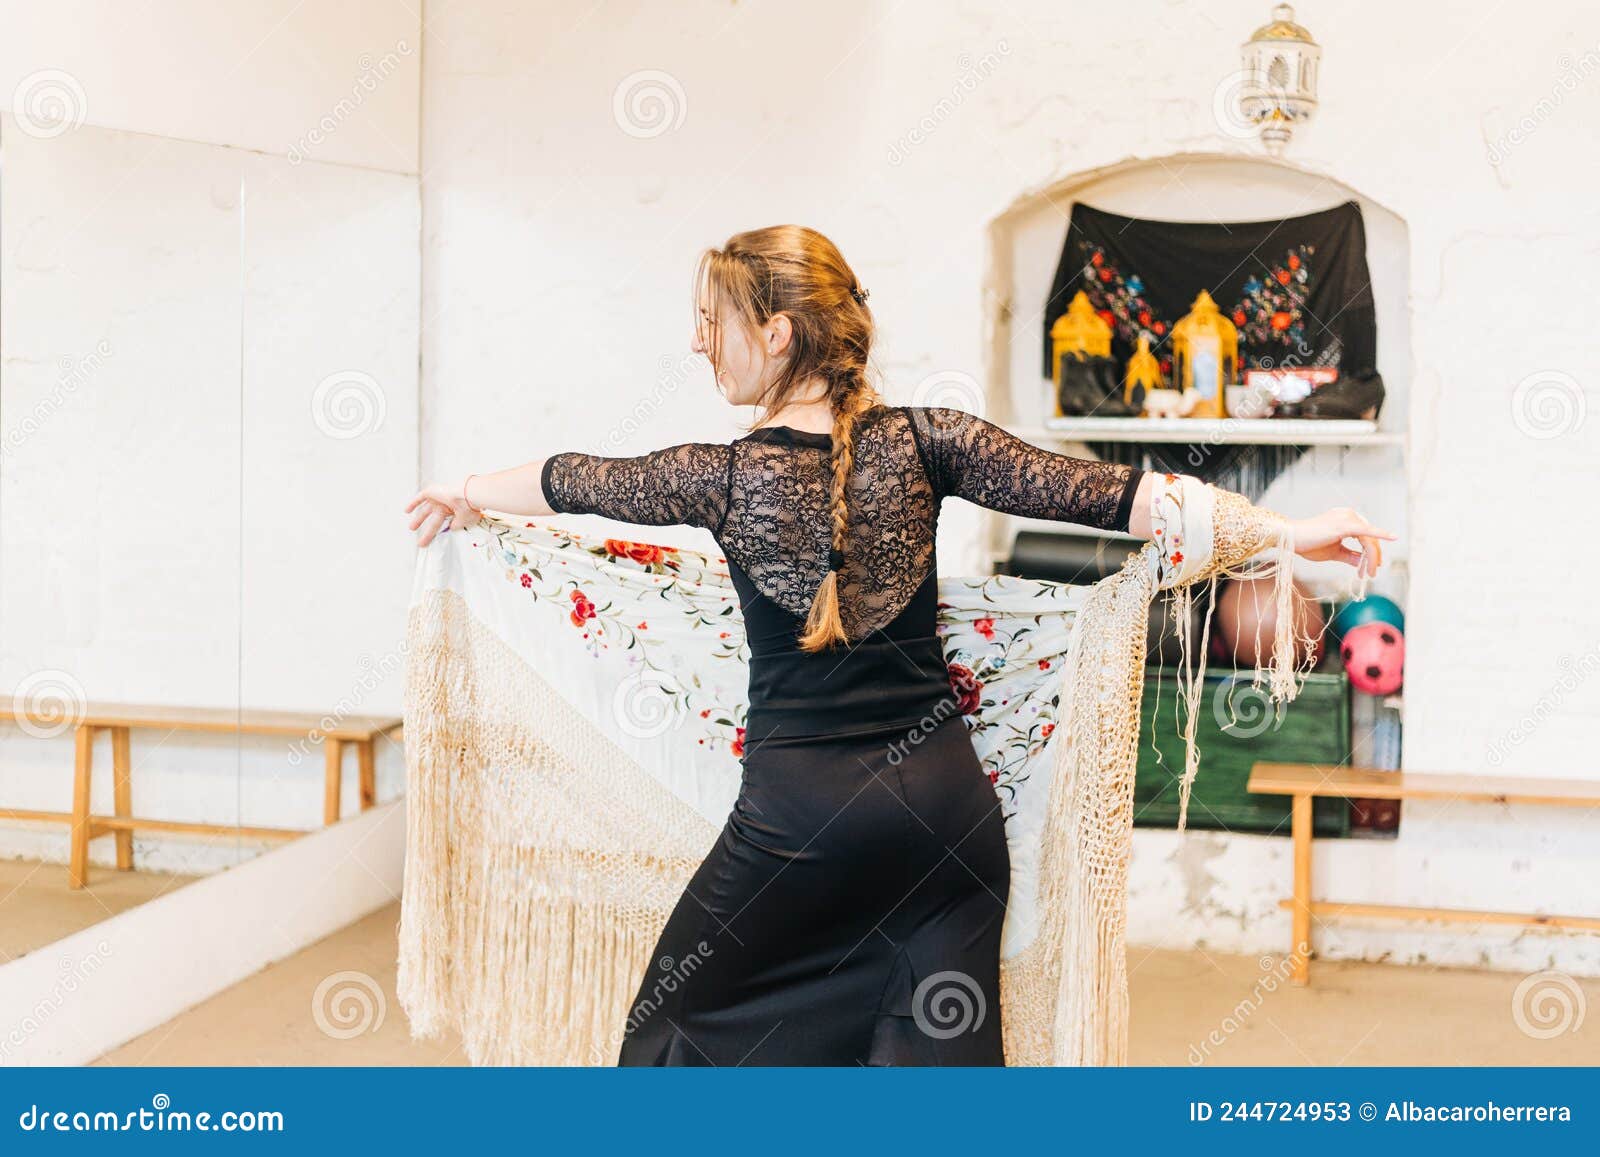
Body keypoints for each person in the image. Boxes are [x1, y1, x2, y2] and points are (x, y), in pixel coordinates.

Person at [406, 225, 1394, 1066]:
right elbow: (1115, 495)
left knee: (673, 1041)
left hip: (801, 832)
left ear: (777, 333)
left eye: (714, 321)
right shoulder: (932, 438)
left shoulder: (721, 474)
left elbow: (580, 478)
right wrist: (1291, 533)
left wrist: (464, 491)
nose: (700, 342)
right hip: (948, 830)